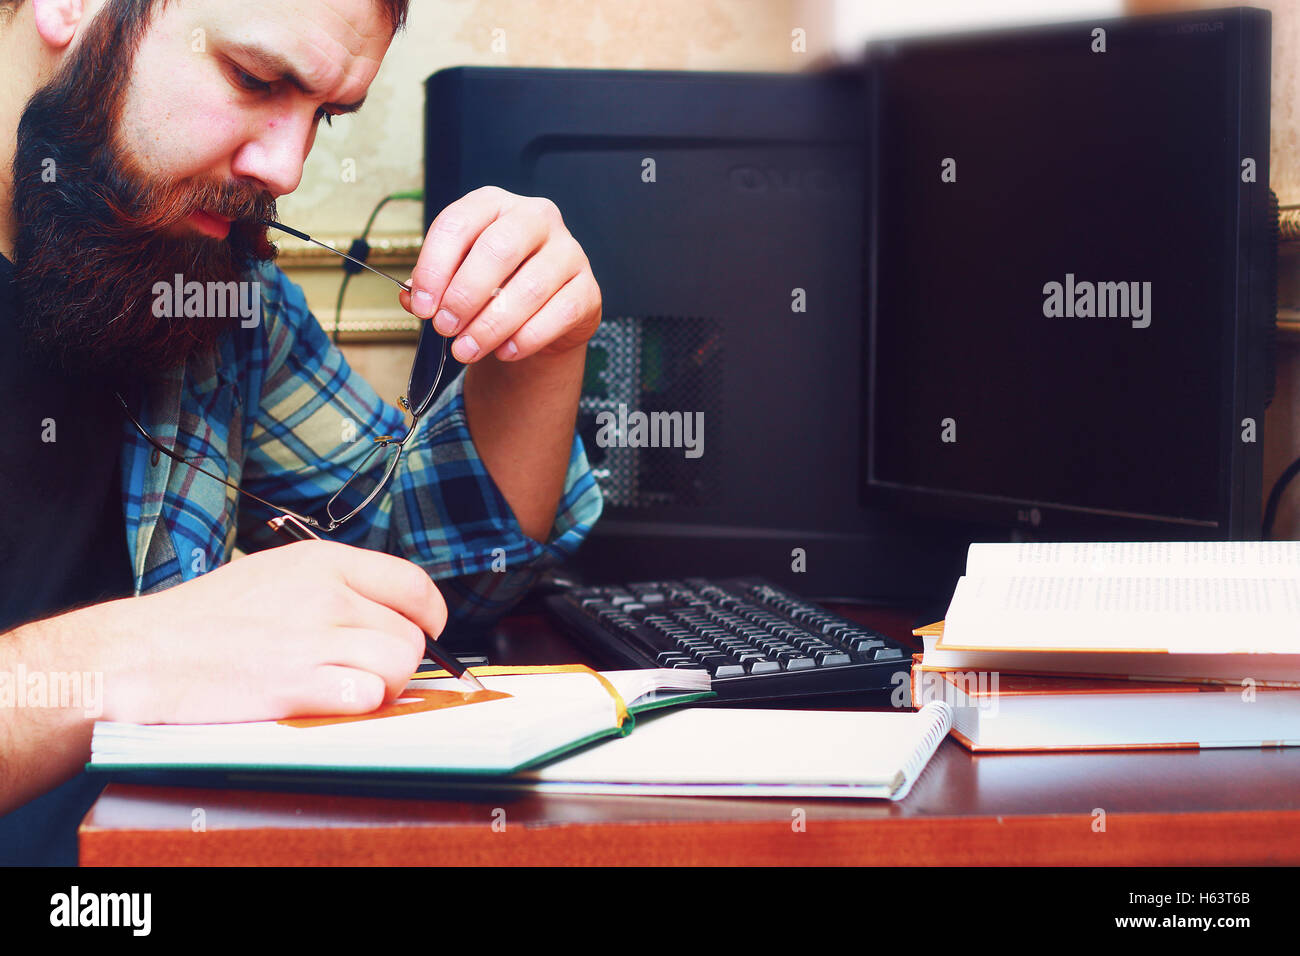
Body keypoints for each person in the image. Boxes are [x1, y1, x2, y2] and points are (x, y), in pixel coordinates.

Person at [0, 0, 604, 864]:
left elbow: (434, 578)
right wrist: (131, 659)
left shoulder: (211, 289)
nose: (287, 168)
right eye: (253, 77)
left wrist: (540, 348)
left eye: (324, 114)